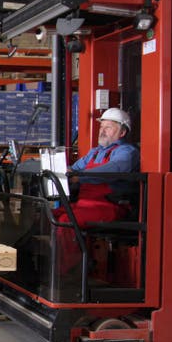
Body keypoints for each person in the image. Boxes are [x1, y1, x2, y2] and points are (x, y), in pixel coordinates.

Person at [54, 107, 140, 275]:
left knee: (66, 220)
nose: (102, 131)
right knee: (48, 214)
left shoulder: (127, 152)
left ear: (122, 132)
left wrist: (80, 177)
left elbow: (114, 169)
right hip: (84, 205)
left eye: (108, 127)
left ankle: (68, 272)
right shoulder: (94, 153)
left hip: (109, 206)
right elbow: (73, 168)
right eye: (101, 127)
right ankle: (42, 265)